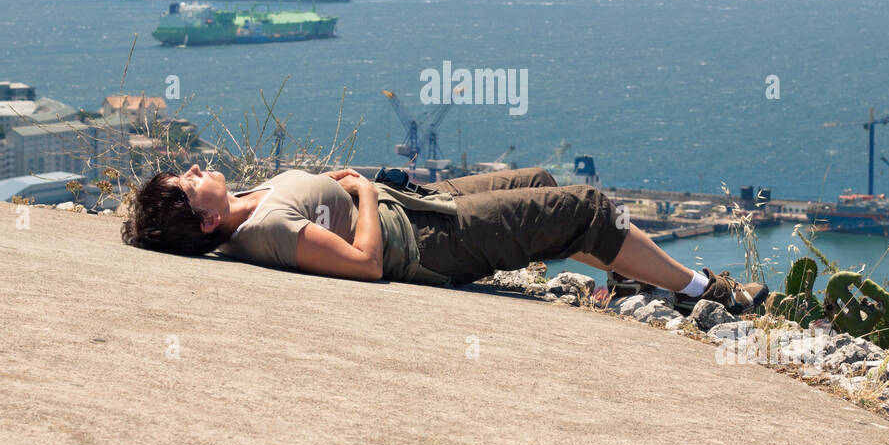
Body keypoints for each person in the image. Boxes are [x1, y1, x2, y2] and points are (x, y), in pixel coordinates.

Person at [121, 164, 767, 314]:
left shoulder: (243, 202)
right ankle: (703, 290)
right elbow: (367, 265)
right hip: (429, 243)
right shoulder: (264, 231)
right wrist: (367, 191)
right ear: (204, 223)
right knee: (587, 207)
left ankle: (632, 276)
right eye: (184, 184)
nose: (192, 170)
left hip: (422, 207)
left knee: (540, 179)